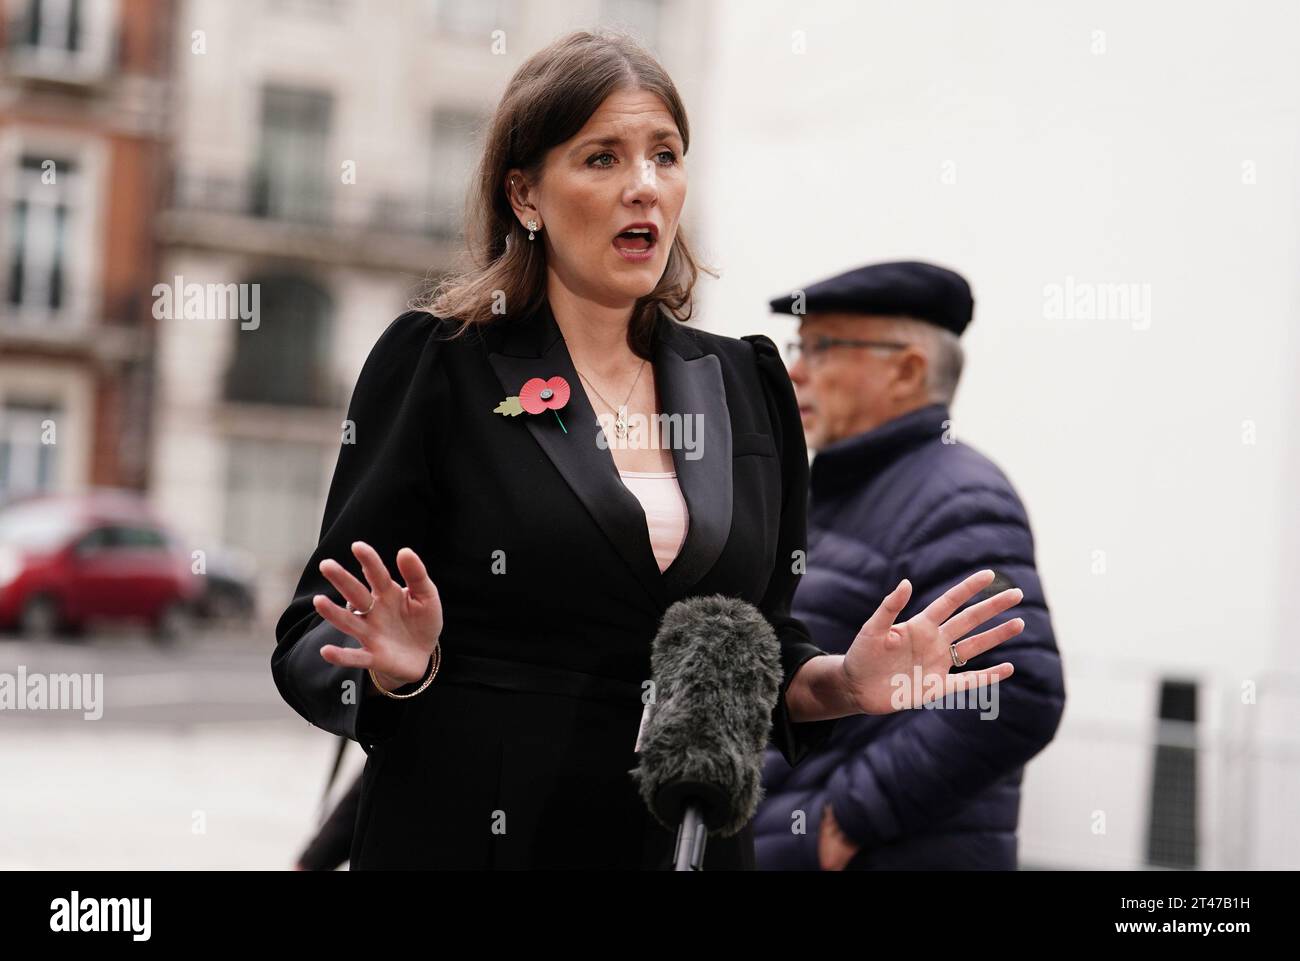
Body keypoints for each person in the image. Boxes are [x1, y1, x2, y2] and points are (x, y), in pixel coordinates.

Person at [270, 34, 1024, 870]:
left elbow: (757, 645)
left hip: (681, 848)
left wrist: (845, 683)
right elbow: (313, 637)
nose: (644, 187)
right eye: (602, 158)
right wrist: (395, 671)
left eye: (665, 155)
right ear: (525, 194)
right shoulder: (440, 364)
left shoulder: (745, 383)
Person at [754, 261, 1066, 870]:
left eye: (821, 347)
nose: (795, 369)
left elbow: (1018, 692)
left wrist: (841, 823)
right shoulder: (838, 490)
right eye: (799, 345)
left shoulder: (957, 495)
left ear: (907, 370)